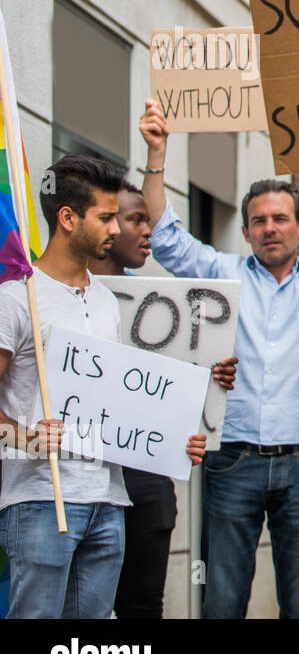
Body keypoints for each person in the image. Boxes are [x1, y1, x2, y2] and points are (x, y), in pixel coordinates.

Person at [137, 99, 299, 618]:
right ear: (247, 230)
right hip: (232, 459)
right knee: (224, 600)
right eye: (259, 222)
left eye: (280, 219)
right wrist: (157, 153)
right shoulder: (219, 272)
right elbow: (163, 236)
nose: (269, 228)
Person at [0, 155, 203, 618]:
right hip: (39, 500)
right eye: (106, 217)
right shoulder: (16, 298)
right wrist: (24, 439)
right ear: (68, 219)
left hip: (109, 501)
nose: (116, 229)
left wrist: (173, 441)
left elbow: (118, 401)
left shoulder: (108, 302)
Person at [87, 180, 237, 619]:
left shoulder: (163, 304)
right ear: (108, 225)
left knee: (143, 605)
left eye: (149, 220)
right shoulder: (65, 295)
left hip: (146, 480)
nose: (147, 231)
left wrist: (212, 378)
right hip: (82, 477)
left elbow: (178, 394)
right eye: (136, 219)